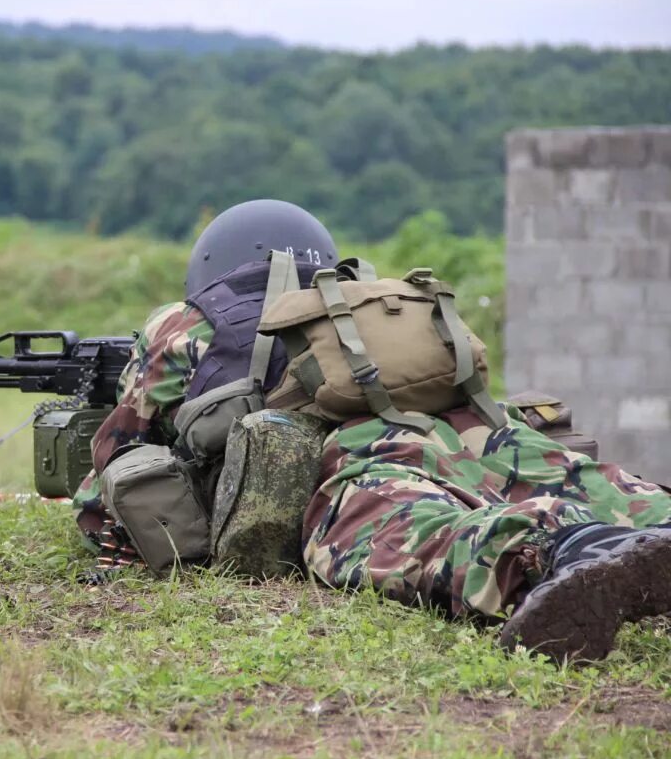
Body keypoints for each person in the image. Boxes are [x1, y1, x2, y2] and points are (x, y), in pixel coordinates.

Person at [72, 198, 671, 663]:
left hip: (353, 454)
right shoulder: (357, 302)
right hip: (474, 425)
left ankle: (562, 553)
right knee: (590, 480)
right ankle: (647, 527)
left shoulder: (184, 323)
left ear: (209, 260)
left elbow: (120, 452)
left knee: (413, 537)